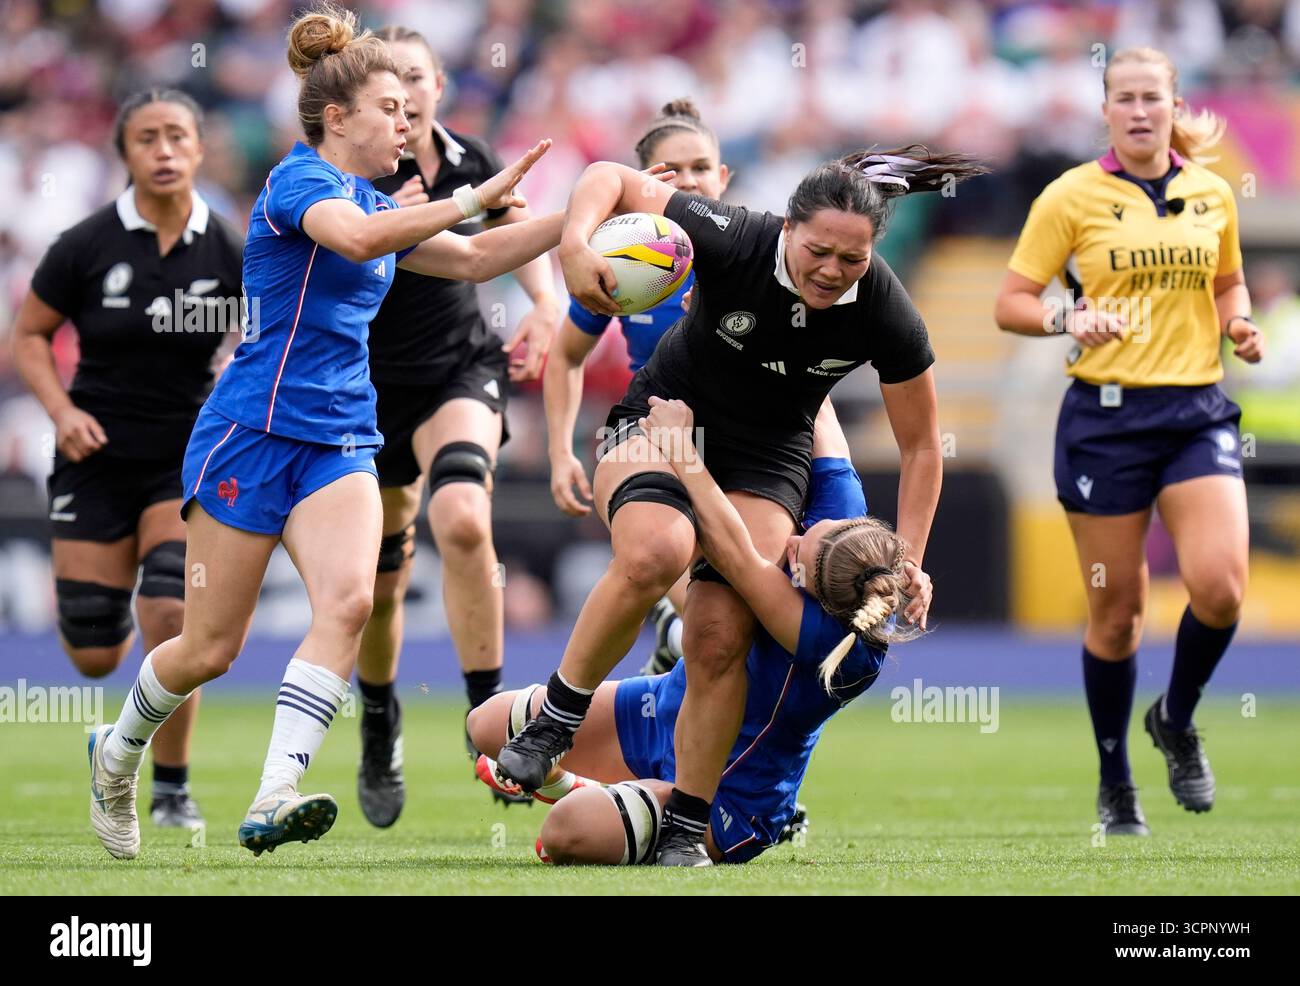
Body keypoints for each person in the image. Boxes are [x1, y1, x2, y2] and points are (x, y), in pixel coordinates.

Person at [82, 3, 561, 860]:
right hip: (252, 432)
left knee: (348, 600)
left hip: (342, 435)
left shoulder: (378, 202)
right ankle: (116, 758)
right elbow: (364, 235)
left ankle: (276, 791)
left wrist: (598, 208)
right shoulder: (302, 185)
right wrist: (469, 198)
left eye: (414, 112)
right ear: (336, 117)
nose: (410, 124)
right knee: (209, 648)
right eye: (393, 111)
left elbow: (483, 258)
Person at [496, 144, 984, 865]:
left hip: (767, 458)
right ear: (787, 227)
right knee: (657, 551)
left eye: (851, 262)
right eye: (819, 251)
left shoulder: (885, 307)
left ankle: (688, 829)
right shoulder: (738, 234)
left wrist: (908, 558)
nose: (831, 272)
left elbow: (920, 448)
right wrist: (573, 244)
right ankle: (554, 721)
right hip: (662, 418)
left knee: (720, 632)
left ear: (873, 253)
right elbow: (608, 179)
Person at [993, 46, 1262, 836]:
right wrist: (1066, 317)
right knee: (1117, 617)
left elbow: (1227, 281)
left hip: (1193, 415)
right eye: (1124, 97)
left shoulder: (1213, 191)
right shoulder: (1071, 196)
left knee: (1221, 588)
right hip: (1105, 425)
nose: (1139, 110)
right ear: (1105, 109)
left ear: (1175, 107)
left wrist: (1238, 322)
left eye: (1153, 96)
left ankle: (1175, 719)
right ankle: (1117, 785)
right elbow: (1011, 302)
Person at [470, 397, 915, 864]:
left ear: (814, 594)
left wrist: (682, 450)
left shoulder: (833, 644)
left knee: (565, 833)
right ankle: (597, 789)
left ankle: (614, 799)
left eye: (799, 551)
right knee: (485, 725)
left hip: (729, 798)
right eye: (813, 528)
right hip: (664, 710)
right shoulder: (847, 535)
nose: (794, 537)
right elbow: (820, 411)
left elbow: (737, 555)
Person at [12, 87, 245, 829]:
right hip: (96, 456)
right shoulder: (84, 244)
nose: (165, 150)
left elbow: (270, 331)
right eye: (147, 138)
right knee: (92, 654)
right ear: (124, 155)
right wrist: (62, 412)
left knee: (175, 614)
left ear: (201, 149)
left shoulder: (232, 248)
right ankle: (108, 736)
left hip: (186, 461)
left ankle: (171, 789)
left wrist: (237, 366)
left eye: (178, 135)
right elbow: (27, 335)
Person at [351, 24, 563, 825]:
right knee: (382, 580)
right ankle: (379, 718)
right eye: (391, 84)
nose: (406, 95)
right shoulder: (361, 172)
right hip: (364, 387)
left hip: (457, 368)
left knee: (465, 520)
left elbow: (510, 231)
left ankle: (496, 723)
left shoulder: (474, 161)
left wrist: (544, 304)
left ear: (439, 84)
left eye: (417, 77)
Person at [543, 97, 729, 675]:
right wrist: (558, 454)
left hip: (746, 444)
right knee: (697, 602)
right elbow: (564, 357)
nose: (693, 181)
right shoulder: (623, 262)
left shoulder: (757, 254)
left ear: (725, 177)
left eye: (703, 167)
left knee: (733, 617)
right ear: (647, 185)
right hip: (656, 441)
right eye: (675, 172)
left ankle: (667, 659)